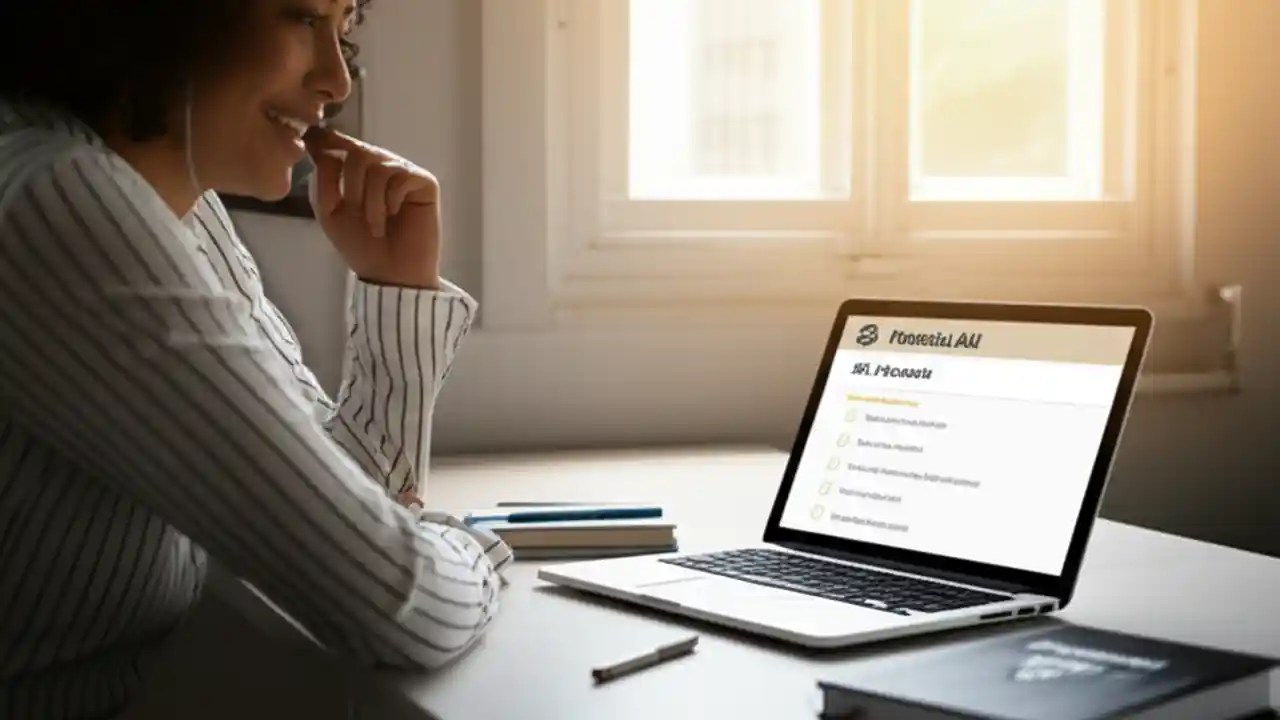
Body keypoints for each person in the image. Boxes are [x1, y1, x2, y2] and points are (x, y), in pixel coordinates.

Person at [0, 1, 511, 718]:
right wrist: (479, 551)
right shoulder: (59, 200)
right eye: (301, 17)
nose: (338, 81)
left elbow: (346, 502)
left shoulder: (183, 211)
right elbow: (398, 601)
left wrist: (396, 289)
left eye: (346, 31)